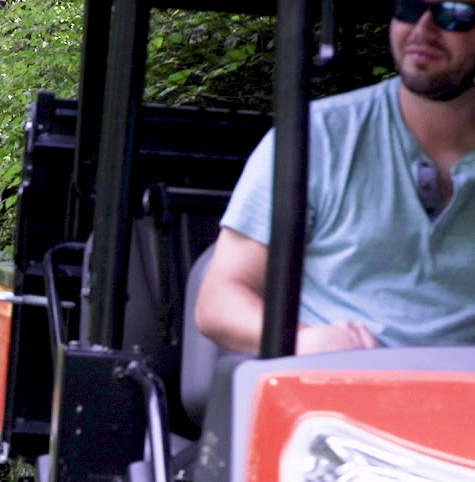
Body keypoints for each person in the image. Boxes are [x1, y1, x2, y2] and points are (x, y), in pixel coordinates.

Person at [196, 0, 475, 355]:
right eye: (408, 7)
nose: (422, 29)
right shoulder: (315, 137)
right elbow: (218, 299)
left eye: (454, 13)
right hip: (330, 395)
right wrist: (303, 341)